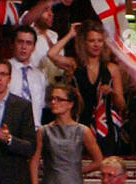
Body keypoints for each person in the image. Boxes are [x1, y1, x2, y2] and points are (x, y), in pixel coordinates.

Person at [30, 82, 102, 184]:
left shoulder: (82, 131)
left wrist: (76, 170)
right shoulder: (44, 131)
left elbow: (99, 160)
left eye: (59, 99)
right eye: (52, 99)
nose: (53, 102)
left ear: (70, 104)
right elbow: (34, 162)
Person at [45, 20, 124, 157]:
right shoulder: (74, 64)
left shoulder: (111, 68)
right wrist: (70, 35)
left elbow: (121, 104)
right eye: (91, 40)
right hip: (78, 123)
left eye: (99, 40)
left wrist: (111, 92)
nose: (96, 44)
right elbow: (52, 54)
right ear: (84, 43)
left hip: (103, 126)